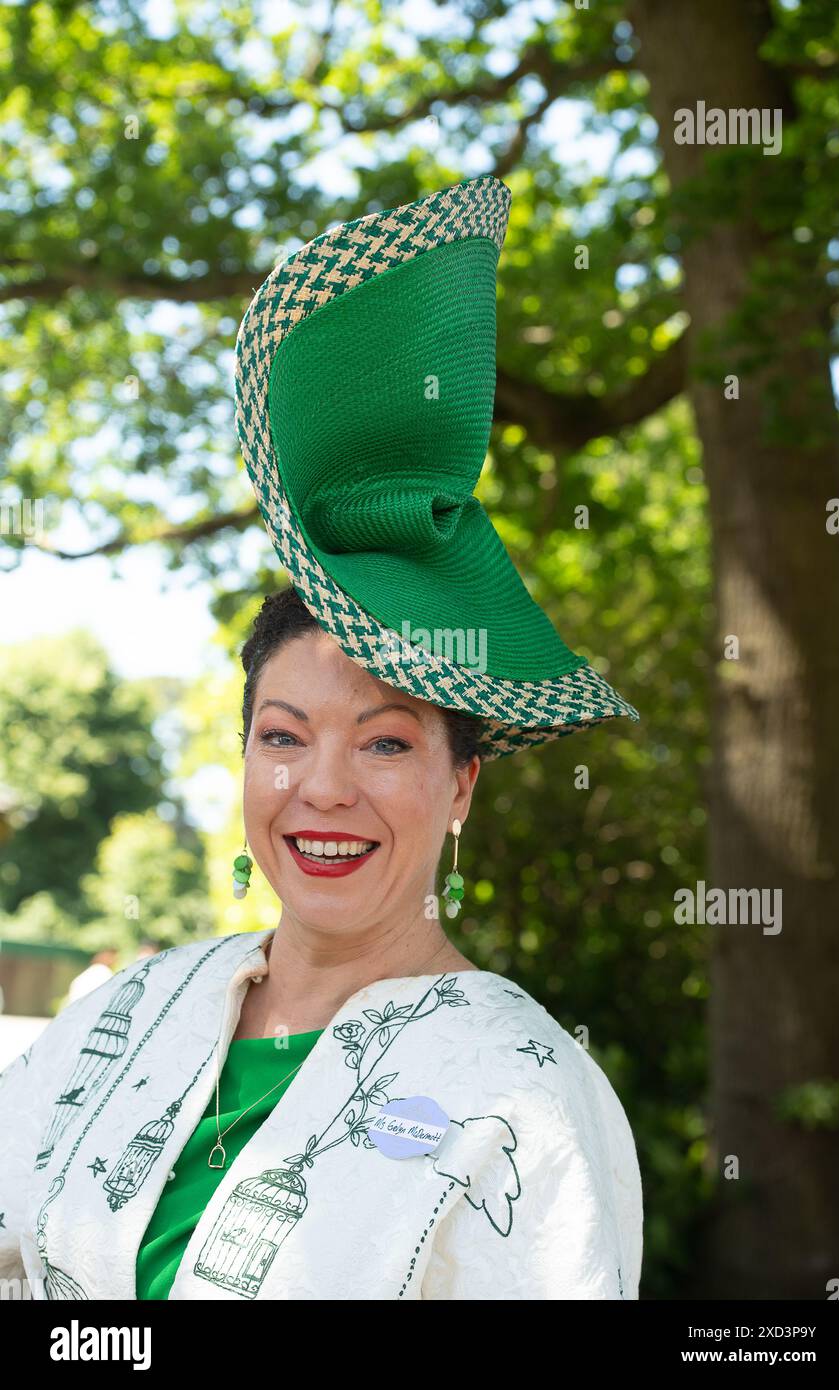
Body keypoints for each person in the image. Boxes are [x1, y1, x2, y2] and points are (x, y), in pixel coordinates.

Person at [0, 174, 642, 1301]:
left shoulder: (521, 1090)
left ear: (461, 784)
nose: (323, 787)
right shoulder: (131, 1011)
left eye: (387, 744)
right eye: (283, 736)